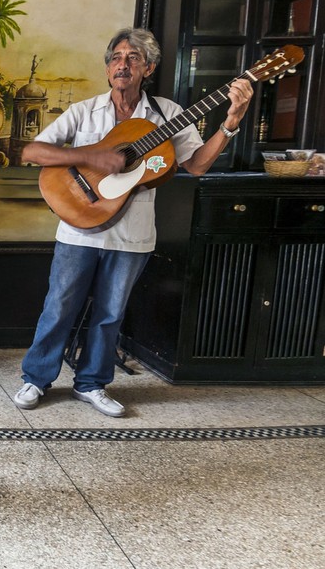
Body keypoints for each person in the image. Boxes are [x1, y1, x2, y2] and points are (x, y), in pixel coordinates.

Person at [14, 27, 253, 417]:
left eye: (132, 58)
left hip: (132, 234)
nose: (122, 64)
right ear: (108, 69)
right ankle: (35, 380)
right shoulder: (84, 111)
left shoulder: (167, 115)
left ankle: (91, 384)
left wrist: (231, 121)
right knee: (59, 307)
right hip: (79, 227)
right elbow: (32, 150)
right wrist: (91, 157)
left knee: (110, 315)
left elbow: (196, 165)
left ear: (149, 68)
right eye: (116, 58)